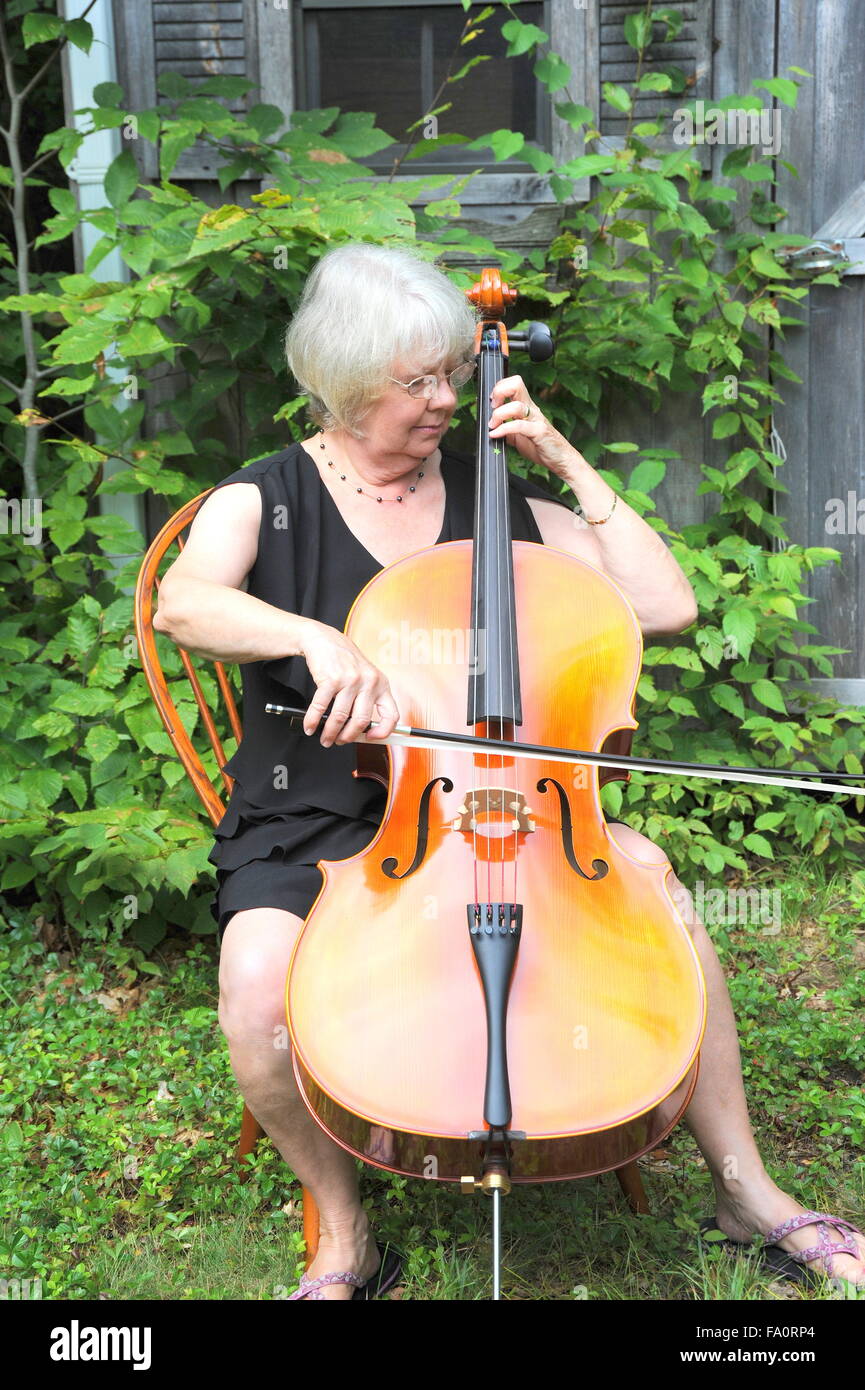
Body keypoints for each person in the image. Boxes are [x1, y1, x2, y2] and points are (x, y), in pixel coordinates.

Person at [153, 242, 865, 1300]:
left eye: (454, 372)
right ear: (344, 386)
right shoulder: (266, 500)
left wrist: (564, 462)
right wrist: (312, 635)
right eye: (420, 382)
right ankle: (345, 1237)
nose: (449, 399)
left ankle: (745, 1188)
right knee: (258, 987)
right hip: (306, 824)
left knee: (655, 881)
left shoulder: (500, 510)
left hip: (502, 819)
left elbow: (665, 608)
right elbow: (184, 603)